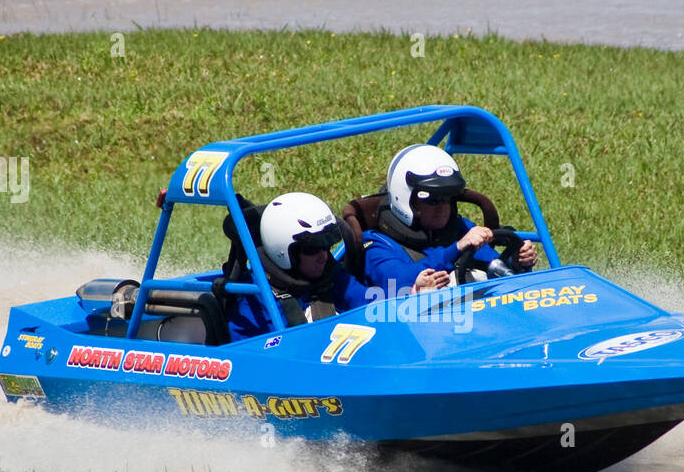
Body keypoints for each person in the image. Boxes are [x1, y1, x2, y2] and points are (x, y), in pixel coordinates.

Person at [361, 144, 537, 296]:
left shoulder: (458, 228)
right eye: (433, 199)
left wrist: (517, 261)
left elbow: (492, 265)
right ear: (405, 198)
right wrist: (456, 249)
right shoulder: (376, 243)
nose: (443, 207)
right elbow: (396, 284)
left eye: (448, 198)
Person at [227, 192, 370, 341]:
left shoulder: (329, 273)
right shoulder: (254, 301)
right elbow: (250, 357)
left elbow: (372, 305)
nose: (324, 257)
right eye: (313, 249)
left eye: (328, 246)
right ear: (283, 252)